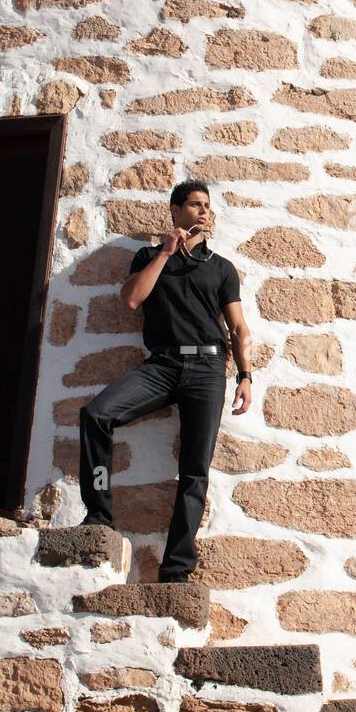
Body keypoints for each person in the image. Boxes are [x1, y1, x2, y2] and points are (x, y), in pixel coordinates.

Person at [78, 180, 253, 583]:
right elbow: (132, 299)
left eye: (207, 206)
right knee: (96, 414)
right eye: (194, 205)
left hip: (209, 370)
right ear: (175, 211)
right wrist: (166, 253)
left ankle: (176, 568)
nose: (204, 212)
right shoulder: (148, 256)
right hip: (162, 365)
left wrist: (245, 375)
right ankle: (99, 515)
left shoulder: (221, 268)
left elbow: (238, 326)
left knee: (195, 471)